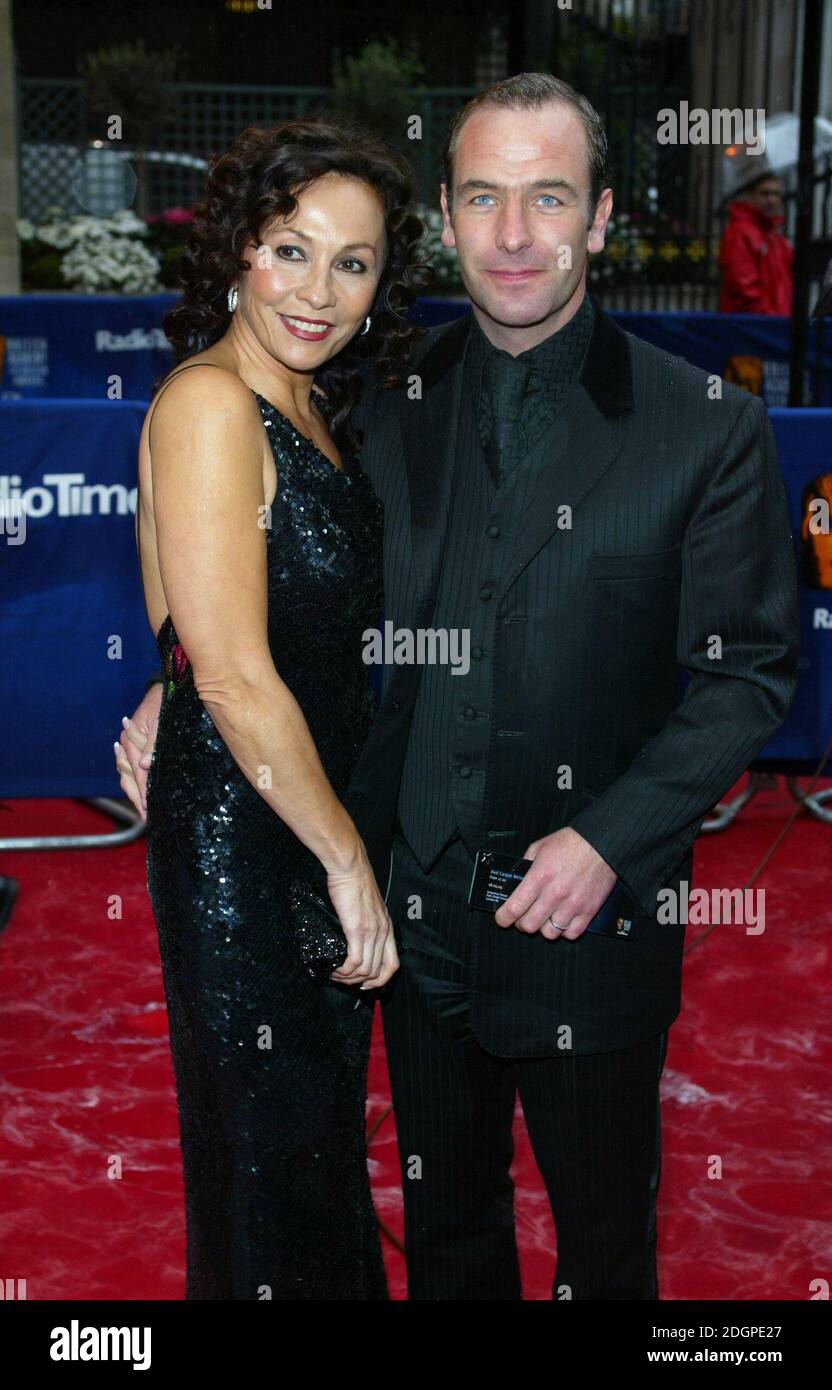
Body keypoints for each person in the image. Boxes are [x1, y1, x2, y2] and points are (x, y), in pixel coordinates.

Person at [120, 75, 800, 1301]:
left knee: (602, 1256)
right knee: (447, 1244)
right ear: (448, 209)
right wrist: (182, 673)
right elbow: (261, 571)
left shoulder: (703, 427)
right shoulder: (373, 400)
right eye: (484, 196)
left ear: (599, 220)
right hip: (409, 919)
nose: (515, 233)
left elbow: (747, 675)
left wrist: (609, 839)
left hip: (589, 929)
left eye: (550, 198)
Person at [115, 117, 429, 1300]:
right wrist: (350, 864)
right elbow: (236, 674)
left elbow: (187, 631)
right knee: (271, 1159)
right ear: (242, 245)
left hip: (297, 809)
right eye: (293, 249)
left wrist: (165, 687)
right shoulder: (210, 407)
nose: (320, 288)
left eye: (353, 262)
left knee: (303, 1156)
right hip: (253, 842)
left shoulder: (300, 404)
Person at [719, 171, 794, 314]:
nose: (771, 200)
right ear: (750, 197)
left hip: (771, 324)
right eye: (765, 194)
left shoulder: (775, 237)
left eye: (776, 194)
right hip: (754, 326)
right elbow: (745, 288)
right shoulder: (740, 232)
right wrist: (771, 318)